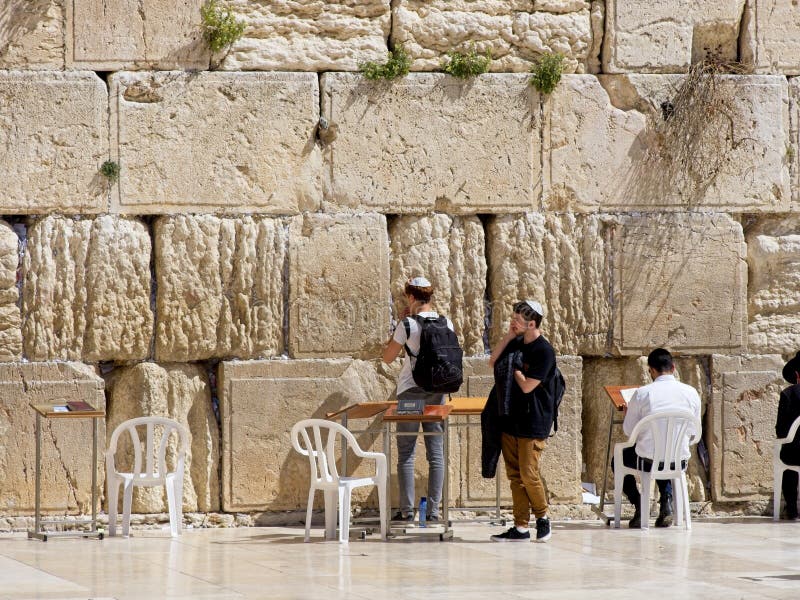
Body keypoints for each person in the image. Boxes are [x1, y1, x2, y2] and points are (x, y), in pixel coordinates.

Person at [382, 276, 455, 523]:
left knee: (406, 453)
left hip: (410, 393)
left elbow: (387, 358)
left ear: (412, 297)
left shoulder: (408, 325)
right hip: (437, 394)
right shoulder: (447, 323)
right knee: (436, 454)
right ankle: (434, 513)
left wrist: (401, 325)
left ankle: (406, 512)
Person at [488, 300, 556, 543]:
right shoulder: (515, 343)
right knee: (514, 475)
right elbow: (493, 361)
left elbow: (527, 386)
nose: (513, 321)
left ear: (531, 323)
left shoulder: (544, 351)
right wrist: (508, 336)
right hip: (510, 418)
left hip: (533, 421)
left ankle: (543, 517)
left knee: (529, 474)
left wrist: (516, 370)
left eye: (517, 319)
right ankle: (521, 526)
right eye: (513, 316)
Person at [615, 348, 702, 528]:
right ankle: (666, 502)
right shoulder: (691, 392)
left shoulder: (643, 393)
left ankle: (640, 505)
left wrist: (627, 413)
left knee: (618, 459)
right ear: (673, 367)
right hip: (679, 460)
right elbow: (694, 432)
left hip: (649, 459)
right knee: (663, 453)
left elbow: (629, 431)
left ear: (652, 370)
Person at [776, 351, 800, 520]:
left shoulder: (788, 394)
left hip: (795, 454)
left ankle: (791, 508)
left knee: (787, 452)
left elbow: (780, 431)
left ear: (797, 374)